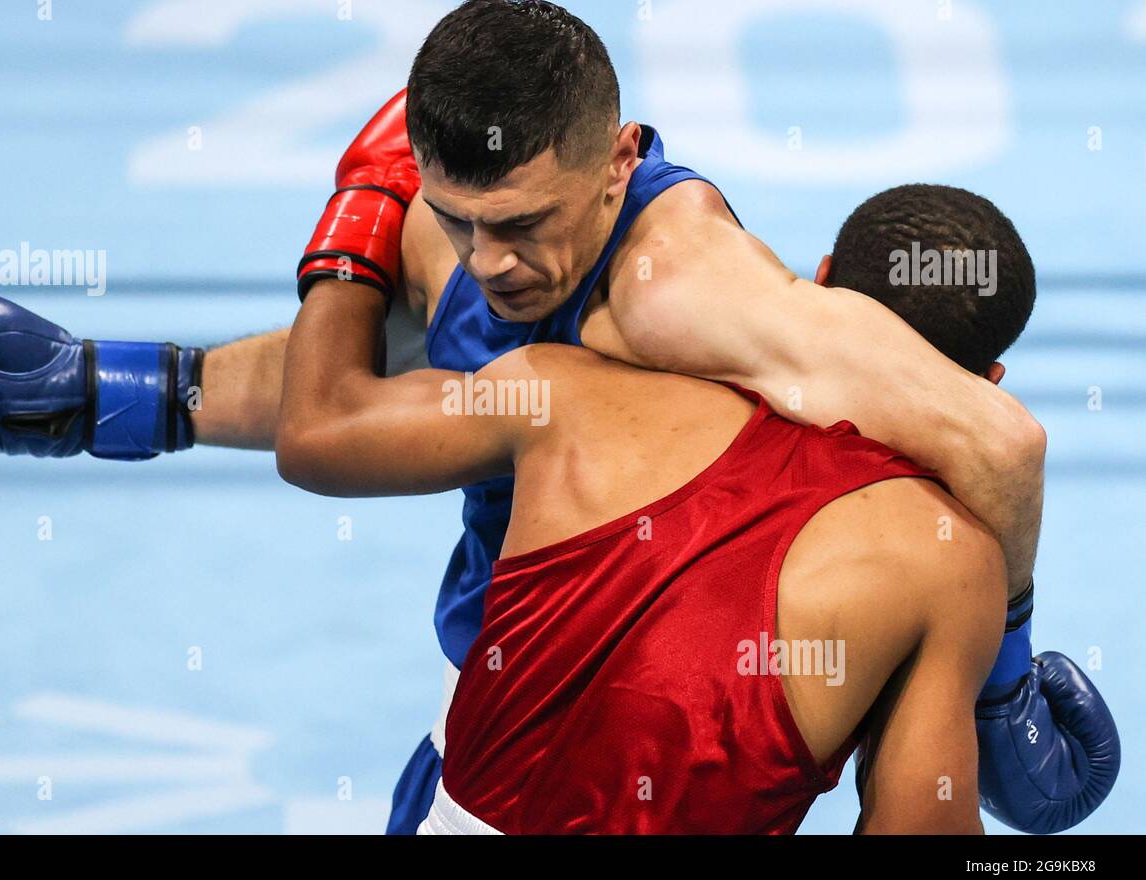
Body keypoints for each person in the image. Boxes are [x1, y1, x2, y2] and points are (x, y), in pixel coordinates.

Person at [0, 0, 1087, 834]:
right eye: (460, 223)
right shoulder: (477, 237)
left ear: (616, 161)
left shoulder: (681, 293)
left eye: (522, 228)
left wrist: (999, 681)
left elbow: (1000, 442)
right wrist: (108, 392)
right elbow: (394, 387)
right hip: (502, 727)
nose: (490, 263)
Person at [278, 183, 1118, 833]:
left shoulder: (574, 386)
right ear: (991, 383)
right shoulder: (948, 565)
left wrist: (362, 216)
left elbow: (316, 430)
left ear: (820, 282)